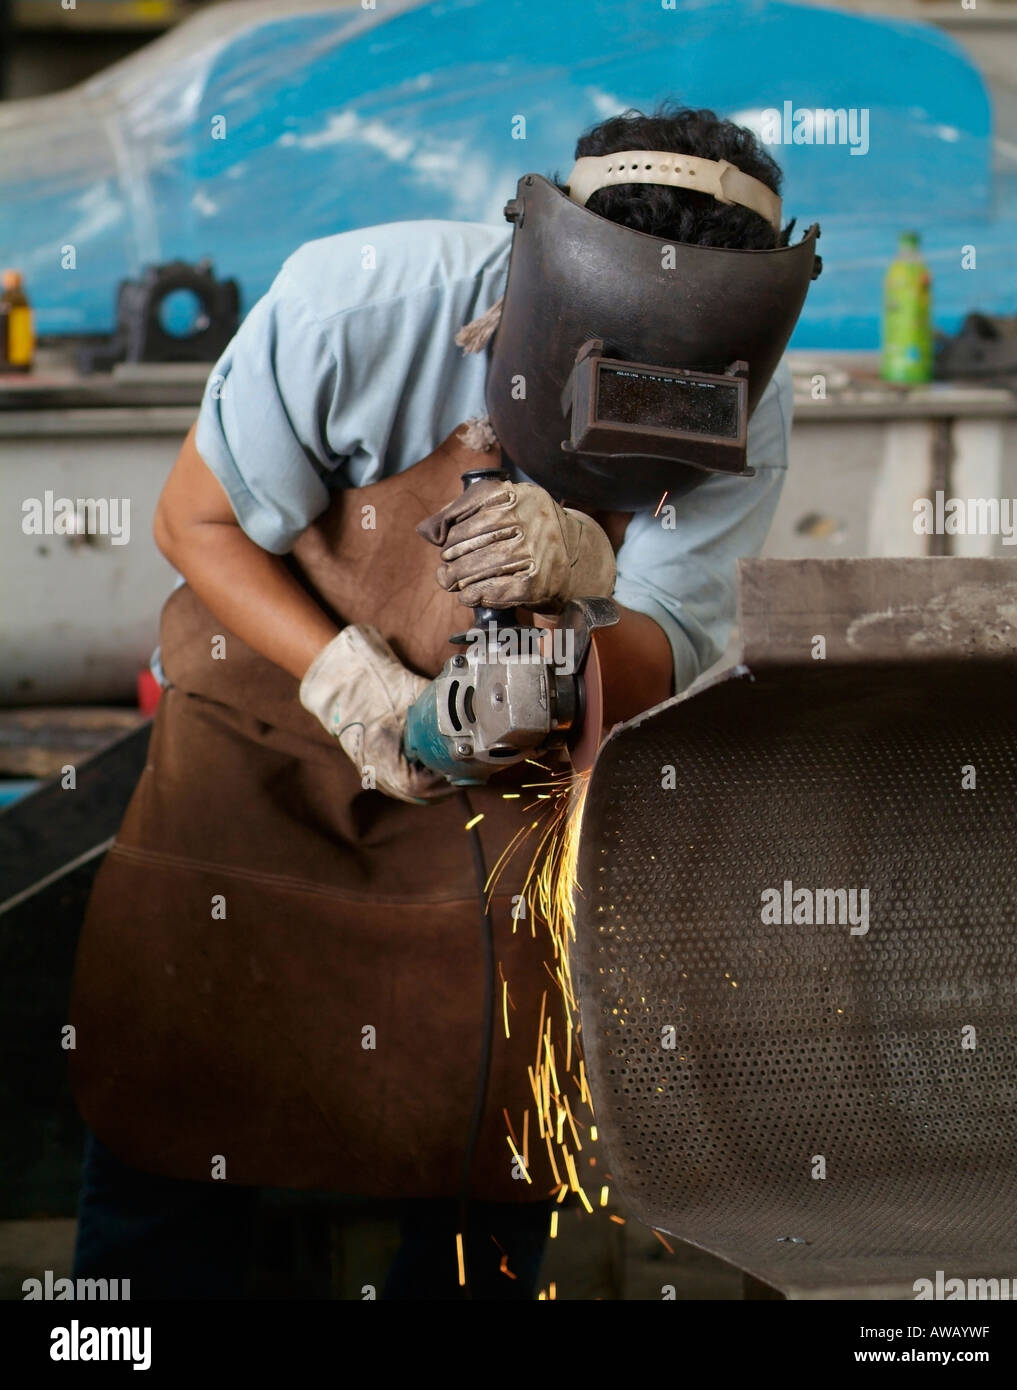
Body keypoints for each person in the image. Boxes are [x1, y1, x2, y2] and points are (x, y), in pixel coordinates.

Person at [68, 105, 814, 1300]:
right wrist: (351, 683)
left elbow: (665, 648)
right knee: (182, 1084)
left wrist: (579, 605)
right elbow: (191, 523)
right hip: (266, 744)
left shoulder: (745, 403)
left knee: (496, 1135)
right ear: (530, 280)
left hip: (508, 805)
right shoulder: (354, 305)